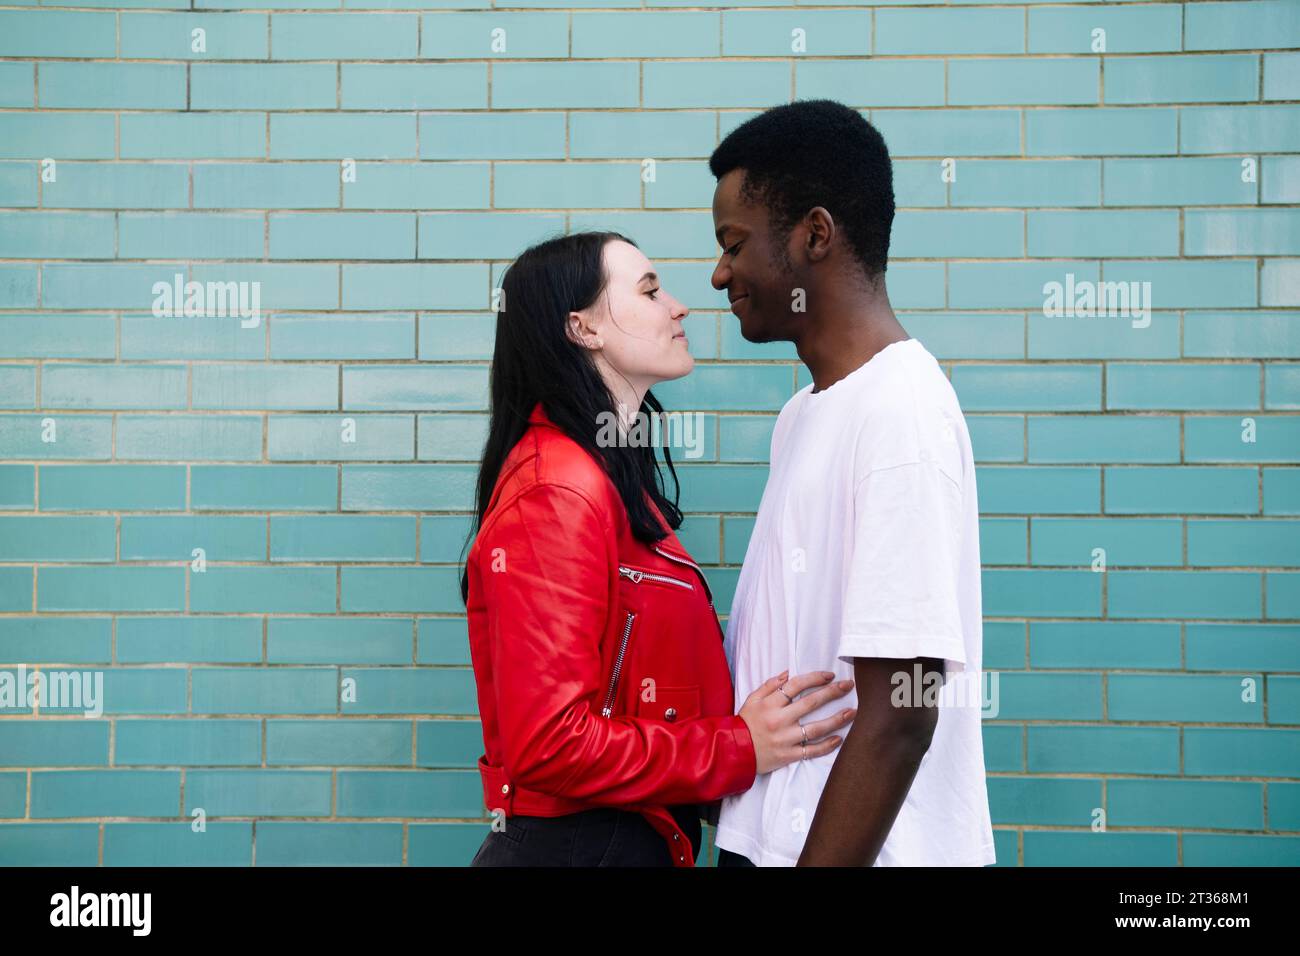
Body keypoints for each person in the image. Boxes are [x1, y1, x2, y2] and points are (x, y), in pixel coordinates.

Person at [461, 230, 856, 867]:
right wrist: (738, 746)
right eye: (649, 290)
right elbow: (550, 744)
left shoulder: (609, 484)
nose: (679, 306)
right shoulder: (556, 490)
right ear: (582, 328)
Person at [707, 100, 997, 867]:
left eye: (734, 244)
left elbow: (903, 711)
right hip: (767, 837)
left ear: (815, 234)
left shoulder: (901, 409)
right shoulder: (803, 413)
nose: (718, 274)